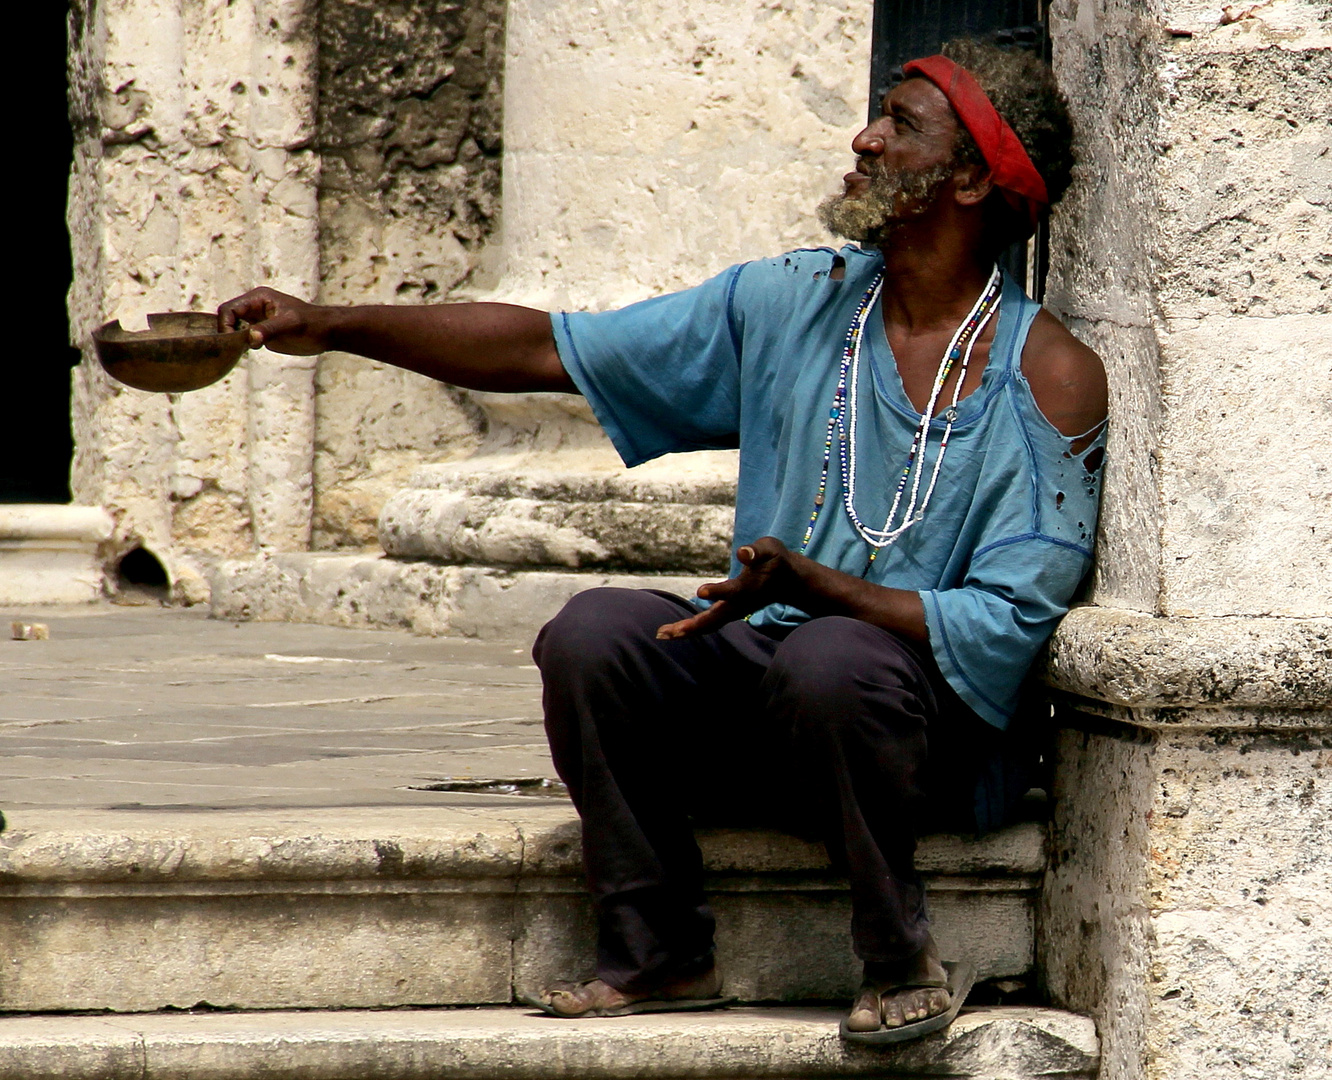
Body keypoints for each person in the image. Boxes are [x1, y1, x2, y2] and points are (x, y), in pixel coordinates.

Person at [220, 38, 1107, 1043]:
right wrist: (331, 325)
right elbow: (548, 348)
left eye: (901, 125)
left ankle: (899, 952)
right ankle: (658, 950)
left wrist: (827, 592)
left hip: (918, 730)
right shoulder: (793, 299)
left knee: (829, 658)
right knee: (594, 632)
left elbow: (1010, 624)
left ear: (976, 179)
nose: (864, 138)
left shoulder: (1048, 374)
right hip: (776, 693)